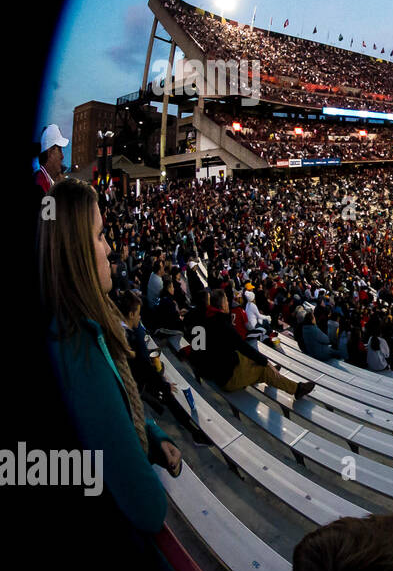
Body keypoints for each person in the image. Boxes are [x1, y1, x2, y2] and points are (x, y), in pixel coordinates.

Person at [40, 178, 181, 534]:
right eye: (101, 235)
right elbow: (148, 508)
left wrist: (152, 436)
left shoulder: (78, 323)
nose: (109, 247)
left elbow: (115, 413)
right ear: (77, 251)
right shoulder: (79, 349)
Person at [190, 288, 315, 400]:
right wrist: (266, 362)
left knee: (252, 358)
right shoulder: (223, 324)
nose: (228, 303)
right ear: (222, 304)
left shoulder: (208, 319)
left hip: (221, 368)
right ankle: (297, 389)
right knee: (262, 369)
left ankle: (270, 372)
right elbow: (243, 346)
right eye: (227, 301)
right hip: (226, 378)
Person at [34, 122, 69, 195]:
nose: (62, 156)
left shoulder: (46, 182)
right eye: (59, 149)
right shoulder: (40, 186)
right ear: (50, 153)